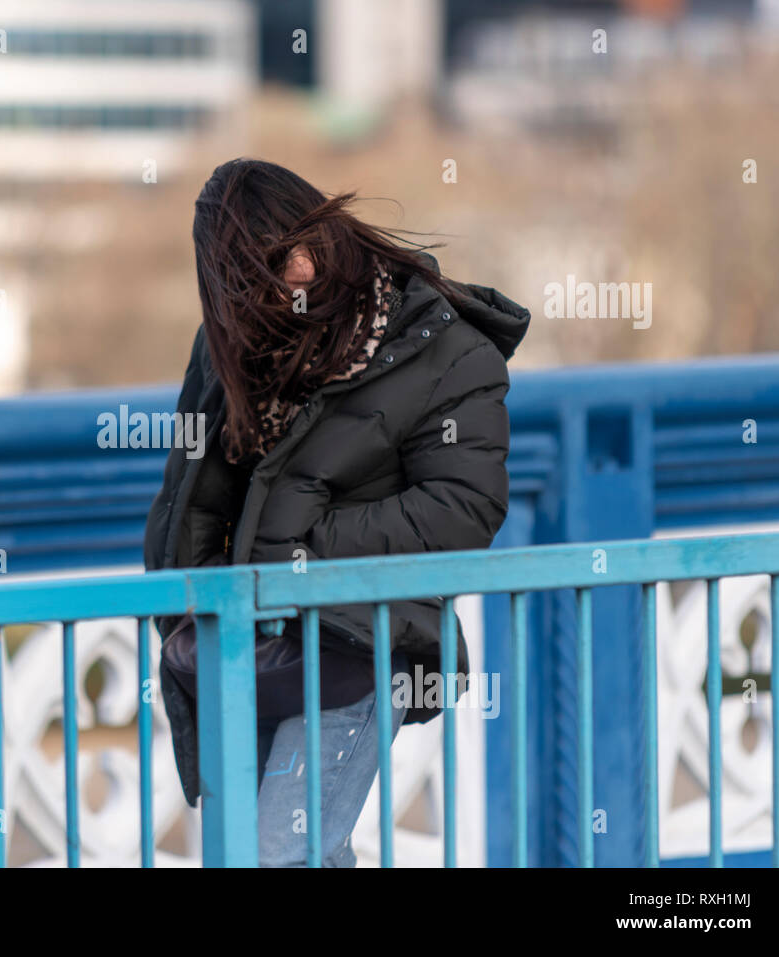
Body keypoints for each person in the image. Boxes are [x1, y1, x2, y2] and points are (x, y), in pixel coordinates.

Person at [143, 158, 530, 866]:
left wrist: (300, 546)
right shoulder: (235, 337)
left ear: (323, 227)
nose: (288, 277)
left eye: (290, 250)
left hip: (362, 641)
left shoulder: (447, 349)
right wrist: (185, 617)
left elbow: (465, 510)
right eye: (252, 275)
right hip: (244, 642)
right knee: (260, 856)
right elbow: (192, 492)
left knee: (280, 853)